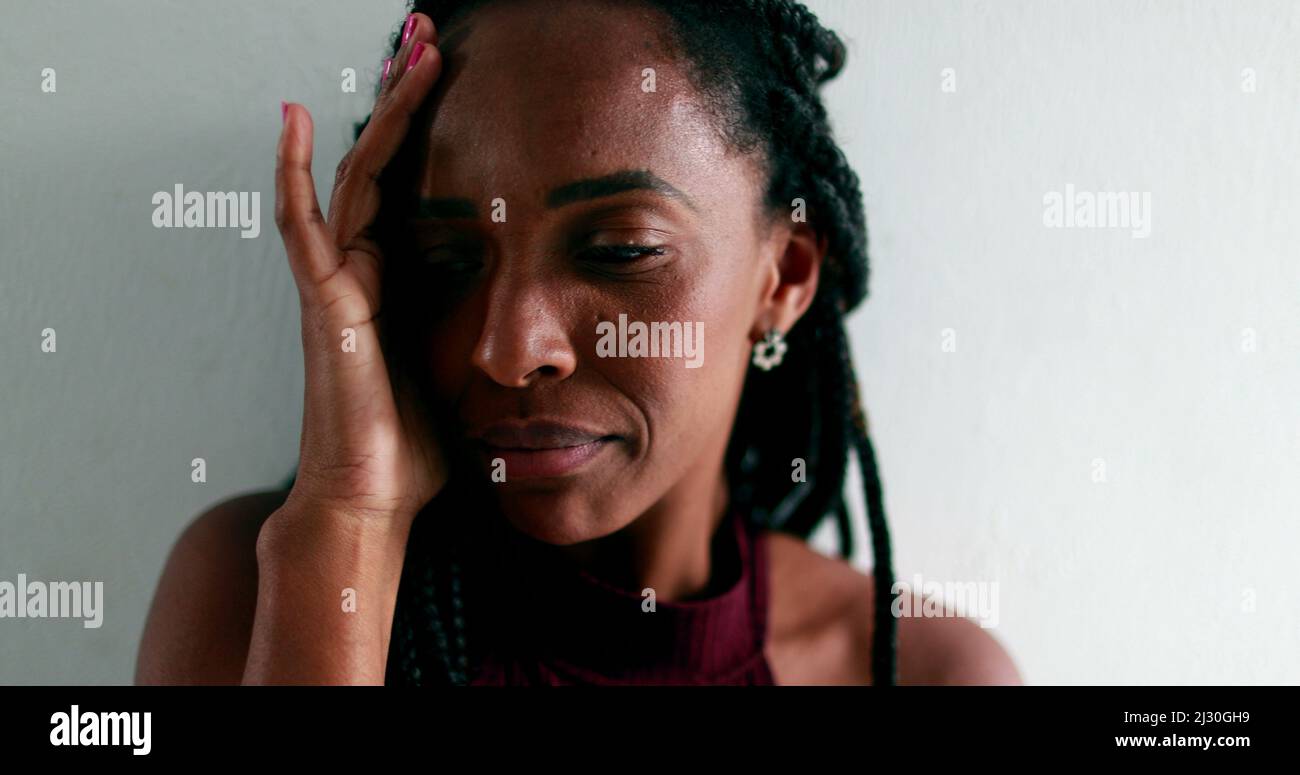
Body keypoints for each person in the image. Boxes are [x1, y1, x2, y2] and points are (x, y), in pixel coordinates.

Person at [136, 0, 1021, 686]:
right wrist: (351, 519)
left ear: (783, 276)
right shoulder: (262, 588)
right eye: (447, 260)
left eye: (620, 251)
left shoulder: (922, 671)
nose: (508, 349)